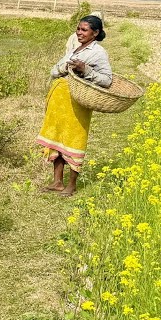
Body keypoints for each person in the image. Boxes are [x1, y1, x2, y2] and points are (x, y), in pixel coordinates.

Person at [36, 15, 112, 196]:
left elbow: (107, 80)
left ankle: (72, 184)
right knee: (58, 138)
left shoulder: (98, 52)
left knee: (74, 139)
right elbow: (54, 70)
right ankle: (57, 181)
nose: (79, 33)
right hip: (60, 101)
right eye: (78, 29)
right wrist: (64, 68)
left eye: (84, 30)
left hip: (78, 103)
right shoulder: (75, 49)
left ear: (96, 33)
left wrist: (86, 70)